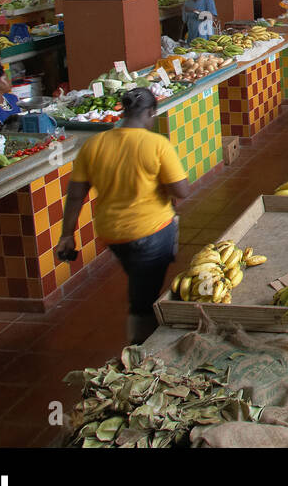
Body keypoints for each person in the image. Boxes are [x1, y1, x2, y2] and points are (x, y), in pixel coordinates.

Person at [57, 88, 190, 344]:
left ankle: (144, 326)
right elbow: (182, 191)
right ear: (151, 112)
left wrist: (66, 235)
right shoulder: (157, 144)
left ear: (123, 111)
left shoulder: (94, 145)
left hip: (112, 234)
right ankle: (140, 348)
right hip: (152, 231)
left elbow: (75, 195)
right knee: (143, 299)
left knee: (141, 280)